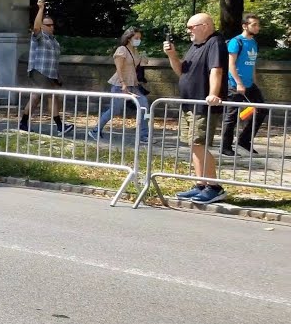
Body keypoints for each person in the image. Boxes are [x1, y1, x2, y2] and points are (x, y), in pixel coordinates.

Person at [164, 13, 228, 204]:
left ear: (206, 26)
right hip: (189, 103)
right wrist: (172, 55)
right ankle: (201, 184)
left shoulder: (215, 42)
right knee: (193, 144)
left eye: (191, 27)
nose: (188, 31)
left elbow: (216, 70)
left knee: (199, 144)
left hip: (203, 104)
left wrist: (213, 94)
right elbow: (181, 70)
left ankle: (214, 187)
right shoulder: (195, 45)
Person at [20, 2, 74, 136]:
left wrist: (57, 76)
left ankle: (23, 123)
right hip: (39, 71)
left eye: (52, 24)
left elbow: (54, 61)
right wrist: (41, 8)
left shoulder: (54, 41)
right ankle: (60, 127)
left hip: (50, 74)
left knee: (35, 97)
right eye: (48, 25)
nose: (51, 27)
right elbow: (36, 26)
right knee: (53, 96)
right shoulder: (39, 37)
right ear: (43, 26)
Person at [88, 27, 149, 142]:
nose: (138, 40)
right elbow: (119, 68)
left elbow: (138, 65)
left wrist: (143, 59)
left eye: (140, 38)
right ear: (129, 38)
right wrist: (123, 83)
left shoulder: (135, 51)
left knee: (144, 106)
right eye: (136, 38)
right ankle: (95, 130)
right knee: (114, 110)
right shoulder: (122, 50)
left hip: (133, 84)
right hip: (120, 85)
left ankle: (144, 135)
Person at [220, 15, 268, 157]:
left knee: (262, 110)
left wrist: (254, 82)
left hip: (249, 84)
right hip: (235, 85)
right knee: (232, 115)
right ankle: (225, 146)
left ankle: (244, 140)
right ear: (245, 26)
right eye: (254, 24)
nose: (257, 27)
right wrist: (239, 83)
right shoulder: (236, 42)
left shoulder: (253, 42)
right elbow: (231, 65)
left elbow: (252, 64)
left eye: (258, 25)